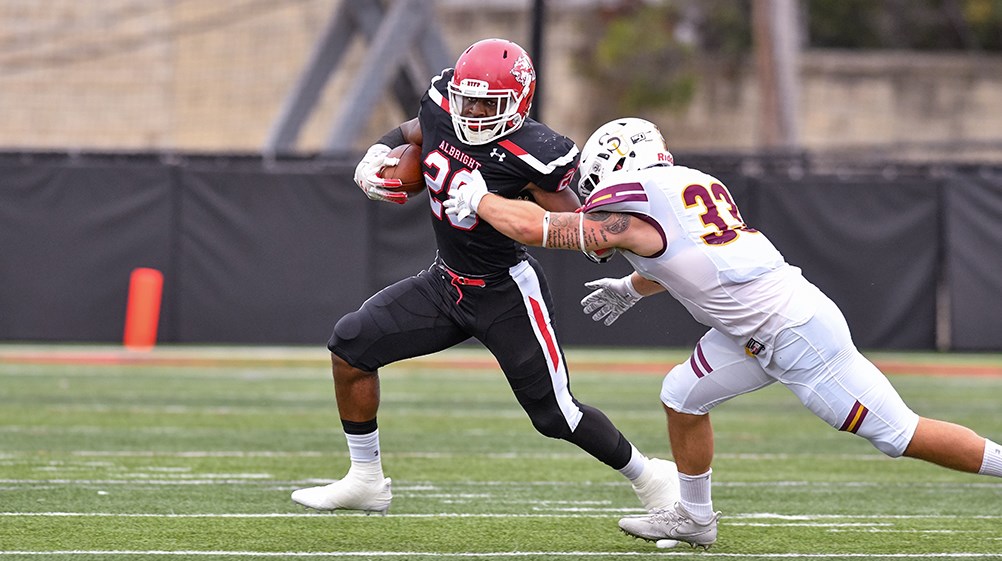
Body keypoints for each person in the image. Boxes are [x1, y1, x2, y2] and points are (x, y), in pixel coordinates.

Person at [445, 117, 1002, 548]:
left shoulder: (636, 194)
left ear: (619, 162)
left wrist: (480, 199)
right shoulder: (693, 184)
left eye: (595, 178)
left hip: (795, 334)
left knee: (898, 434)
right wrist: (629, 289)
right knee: (682, 396)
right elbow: (691, 261)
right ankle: (695, 518)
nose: (591, 190)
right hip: (751, 330)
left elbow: (555, 230)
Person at [291, 41, 680, 515]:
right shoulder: (440, 105)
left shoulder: (537, 153)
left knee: (555, 415)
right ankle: (365, 480)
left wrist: (504, 208)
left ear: (519, 101)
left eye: (486, 103)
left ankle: (651, 477)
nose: (472, 112)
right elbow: (412, 131)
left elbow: (587, 235)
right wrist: (377, 151)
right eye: (466, 99)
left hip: (506, 290)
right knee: (350, 345)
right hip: (446, 283)